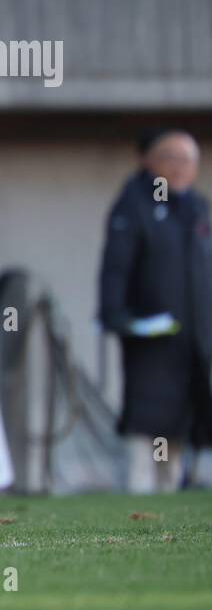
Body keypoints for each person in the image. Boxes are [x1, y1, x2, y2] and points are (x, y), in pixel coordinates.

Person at [99, 129, 212, 493]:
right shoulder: (135, 205)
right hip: (151, 342)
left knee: (180, 426)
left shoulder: (195, 209)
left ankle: (170, 494)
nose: (179, 169)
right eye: (172, 159)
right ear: (151, 161)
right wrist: (115, 314)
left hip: (192, 344)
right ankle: (140, 495)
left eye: (188, 161)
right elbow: (115, 269)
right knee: (149, 424)